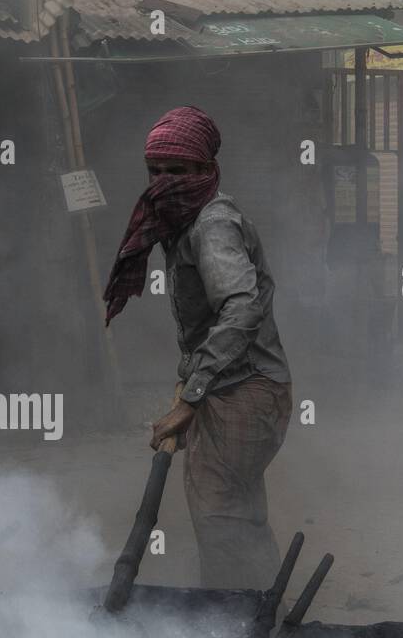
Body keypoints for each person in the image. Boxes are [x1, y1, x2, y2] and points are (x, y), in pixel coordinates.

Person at [103, 105, 293, 590]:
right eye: (155, 172)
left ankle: (230, 628)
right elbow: (211, 322)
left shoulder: (212, 225)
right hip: (236, 386)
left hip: (244, 391)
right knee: (238, 510)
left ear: (207, 171)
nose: (164, 183)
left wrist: (192, 396)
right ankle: (261, 614)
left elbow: (242, 306)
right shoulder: (188, 222)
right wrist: (192, 378)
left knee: (218, 510)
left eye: (178, 171)